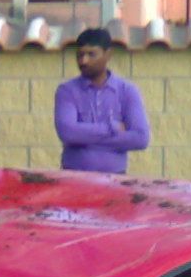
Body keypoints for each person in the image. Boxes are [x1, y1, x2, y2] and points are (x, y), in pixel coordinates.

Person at [53, 27, 151, 174]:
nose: (83, 61)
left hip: (115, 182)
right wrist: (113, 128)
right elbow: (68, 133)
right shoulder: (67, 91)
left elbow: (141, 138)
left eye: (91, 54)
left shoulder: (127, 91)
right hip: (74, 180)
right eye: (80, 55)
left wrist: (85, 139)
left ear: (108, 55)